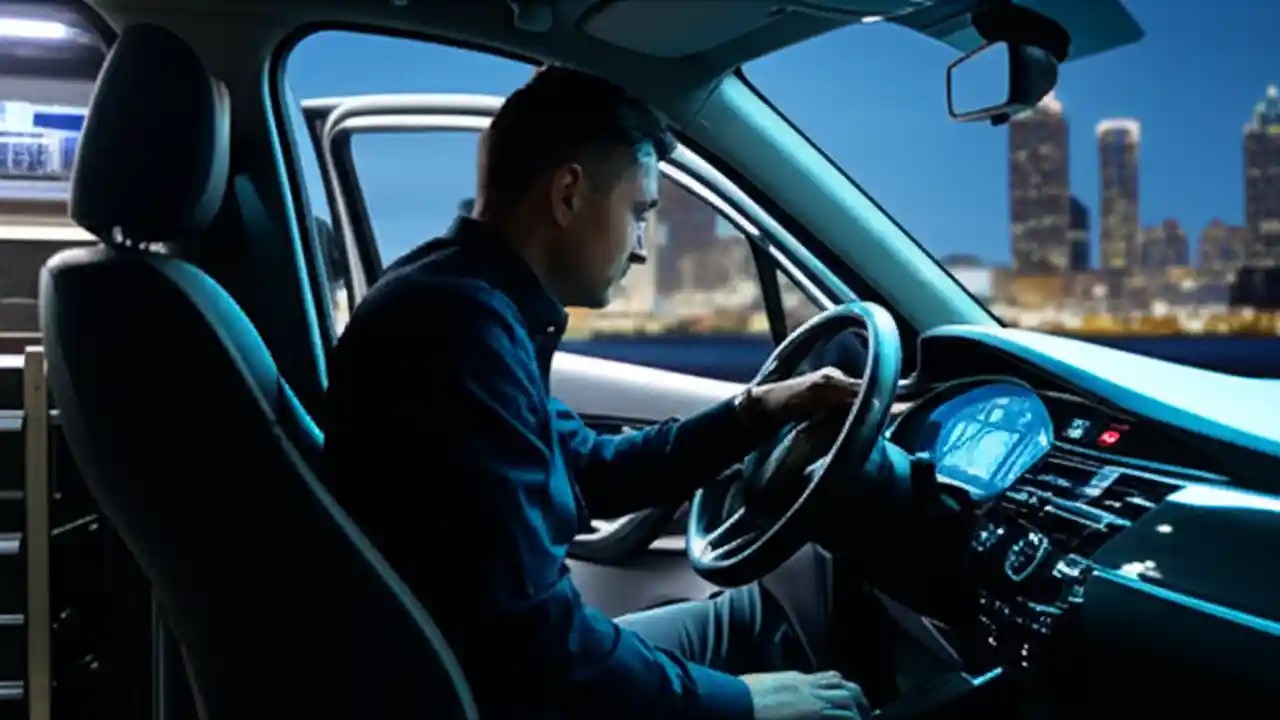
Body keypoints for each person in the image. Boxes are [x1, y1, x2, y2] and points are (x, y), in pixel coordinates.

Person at [325, 65, 870, 720]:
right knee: (782, 650)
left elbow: (592, 468)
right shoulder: (459, 330)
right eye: (639, 213)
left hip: (467, 671)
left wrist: (757, 412)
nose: (640, 248)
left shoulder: (458, 300)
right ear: (569, 194)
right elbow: (535, 644)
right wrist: (746, 704)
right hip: (490, 693)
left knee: (762, 616)